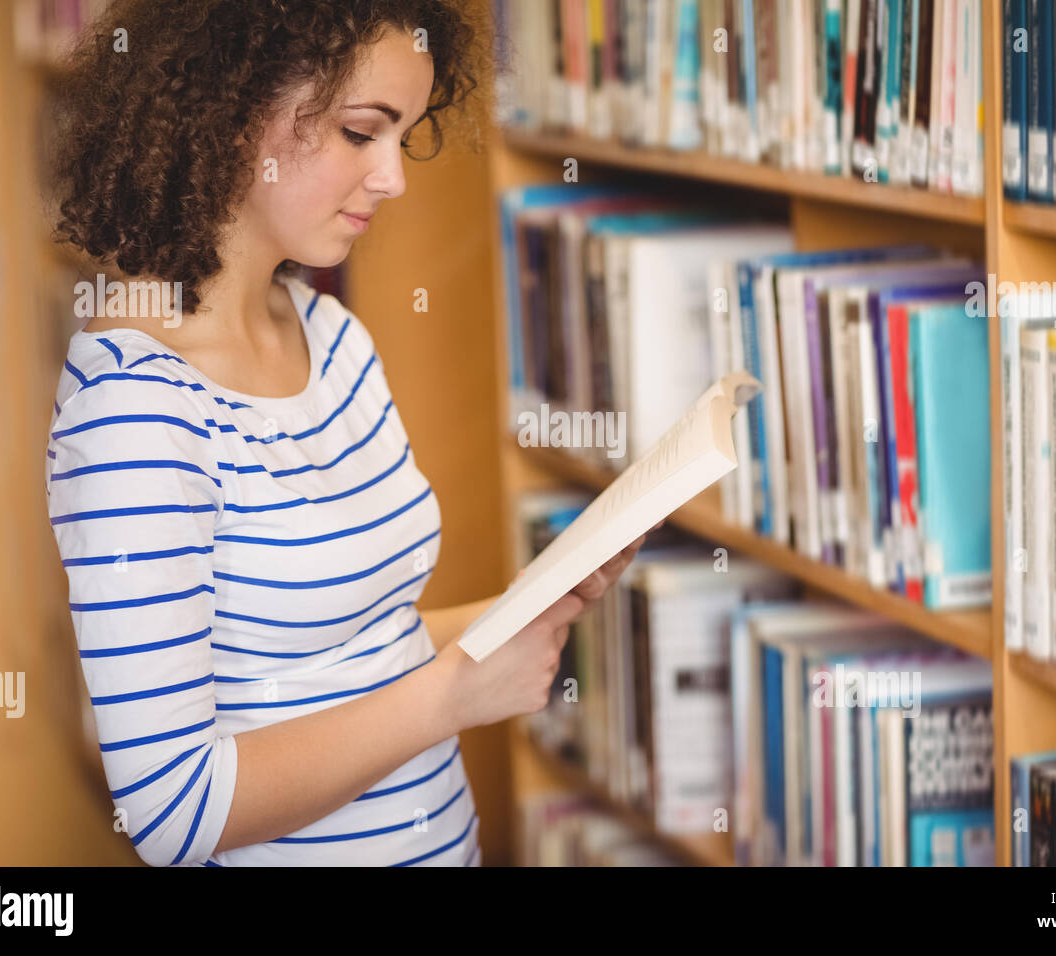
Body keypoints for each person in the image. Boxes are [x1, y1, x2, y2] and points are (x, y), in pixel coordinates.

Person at [44, 0, 651, 866]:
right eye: (362, 132)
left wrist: (521, 611)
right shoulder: (134, 414)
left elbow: (358, 653)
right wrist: (450, 698)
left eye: (403, 135)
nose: (394, 177)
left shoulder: (333, 338)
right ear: (234, 107)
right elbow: (175, 812)